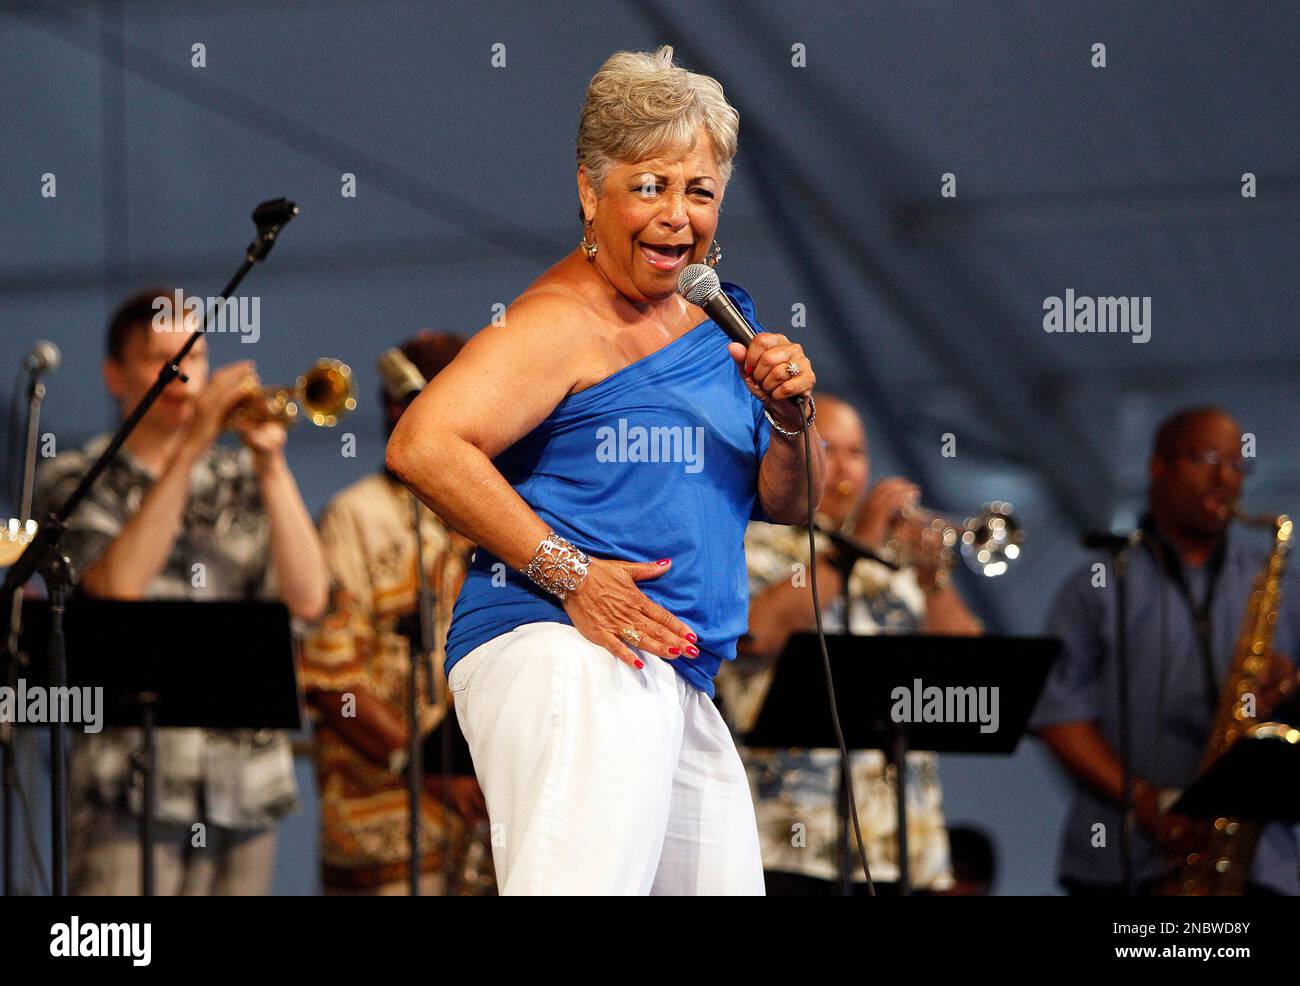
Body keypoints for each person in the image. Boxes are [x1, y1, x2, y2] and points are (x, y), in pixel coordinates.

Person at [385, 46, 824, 895]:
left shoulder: (720, 322)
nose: (675, 215)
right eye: (649, 186)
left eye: (697, 191)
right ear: (591, 193)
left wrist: (787, 417)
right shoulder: (559, 321)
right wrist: (571, 574)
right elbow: (424, 444)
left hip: (675, 669)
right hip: (568, 653)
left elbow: (785, 502)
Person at [35, 287, 328, 895]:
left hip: (246, 783)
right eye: (160, 360)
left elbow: (308, 598)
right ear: (115, 375)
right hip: (130, 782)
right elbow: (115, 586)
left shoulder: (244, 478)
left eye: (193, 358)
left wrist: (272, 466)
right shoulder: (73, 477)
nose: (183, 374)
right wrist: (193, 446)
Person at [717, 394, 981, 894]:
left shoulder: (897, 559)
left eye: (857, 452)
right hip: (791, 833)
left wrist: (933, 578)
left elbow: (968, 665)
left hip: (897, 838)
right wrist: (853, 545)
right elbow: (753, 635)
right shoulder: (756, 539)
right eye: (828, 449)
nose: (845, 468)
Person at [1032, 406, 1300, 895]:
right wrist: (1148, 803)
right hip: (1124, 861)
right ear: (1158, 466)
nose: (1225, 478)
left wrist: (1289, 685)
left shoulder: (1277, 583)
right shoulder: (1098, 585)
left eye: (1238, 466)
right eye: (1206, 459)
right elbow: (1056, 715)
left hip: (1262, 865)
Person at [301, 331, 493, 895]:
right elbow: (330, 678)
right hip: (382, 821)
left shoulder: (495, 505)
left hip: (486, 821)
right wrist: (424, 766)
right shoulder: (354, 516)